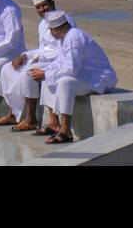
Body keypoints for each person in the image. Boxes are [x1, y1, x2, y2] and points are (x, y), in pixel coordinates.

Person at [32, 10, 117, 143]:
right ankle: (53, 123)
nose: (49, 32)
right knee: (47, 78)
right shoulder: (65, 37)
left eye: (50, 29)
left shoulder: (73, 38)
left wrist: (46, 73)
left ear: (55, 29)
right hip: (84, 74)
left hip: (99, 77)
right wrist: (44, 71)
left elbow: (71, 69)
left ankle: (66, 130)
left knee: (65, 82)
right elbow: (60, 62)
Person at [0, 0, 71, 132]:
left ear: (52, 3)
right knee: (7, 69)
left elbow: (66, 48)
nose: (42, 9)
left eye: (45, 5)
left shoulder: (63, 19)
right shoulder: (42, 24)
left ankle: (31, 119)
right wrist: (25, 55)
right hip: (43, 58)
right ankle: (12, 114)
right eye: (38, 7)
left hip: (57, 61)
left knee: (29, 73)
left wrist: (38, 59)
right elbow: (43, 48)